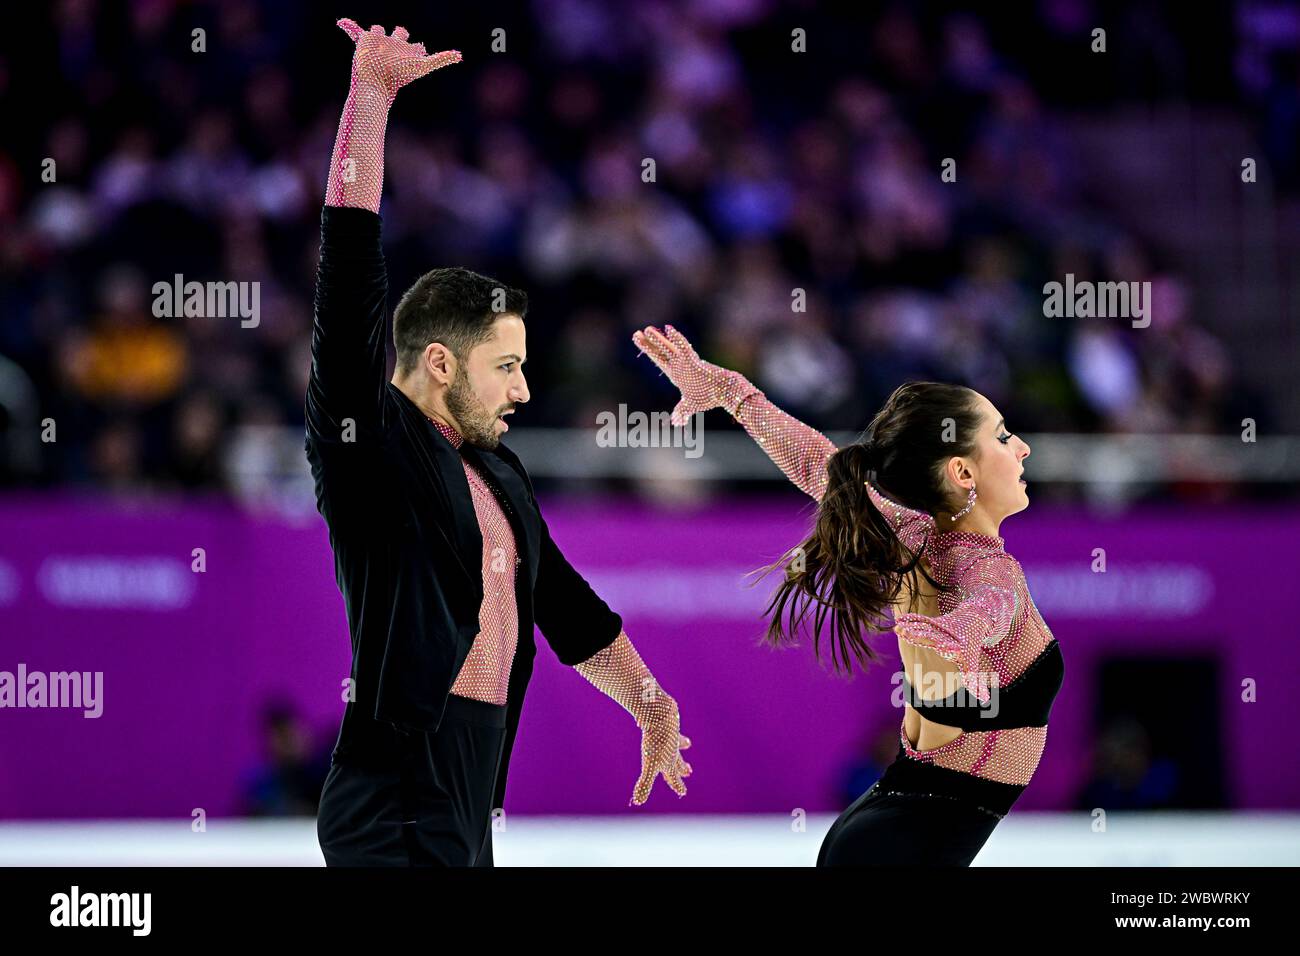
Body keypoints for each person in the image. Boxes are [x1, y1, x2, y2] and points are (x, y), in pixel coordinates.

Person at [309, 20, 691, 867]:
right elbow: (347, 272)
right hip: (393, 800)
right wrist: (369, 97)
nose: (524, 390)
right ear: (440, 362)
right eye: (506, 368)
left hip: (471, 799)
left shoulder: (499, 471)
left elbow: (569, 609)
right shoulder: (368, 447)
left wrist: (648, 702)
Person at [632, 324, 1064, 866]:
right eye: (1002, 436)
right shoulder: (970, 566)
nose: (1022, 446)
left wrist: (732, 393)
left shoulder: (916, 542)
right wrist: (963, 629)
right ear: (961, 471)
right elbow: (990, 602)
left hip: (889, 835)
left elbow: (821, 465)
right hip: (894, 848)